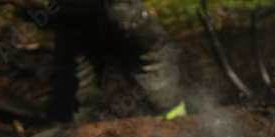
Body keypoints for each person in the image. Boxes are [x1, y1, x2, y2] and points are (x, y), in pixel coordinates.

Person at [47, 0, 186, 123]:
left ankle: (64, 133)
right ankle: (173, 124)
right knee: (152, 56)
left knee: (74, 69)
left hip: (69, 9)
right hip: (116, 8)